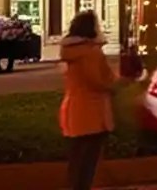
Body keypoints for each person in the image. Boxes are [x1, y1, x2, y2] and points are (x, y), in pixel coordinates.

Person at [60, 10, 117, 190]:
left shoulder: (71, 52)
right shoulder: (91, 53)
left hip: (74, 110)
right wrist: (116, 82)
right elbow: (98, 81)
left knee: (76, 162)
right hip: (92, 113)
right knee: (87, 164)